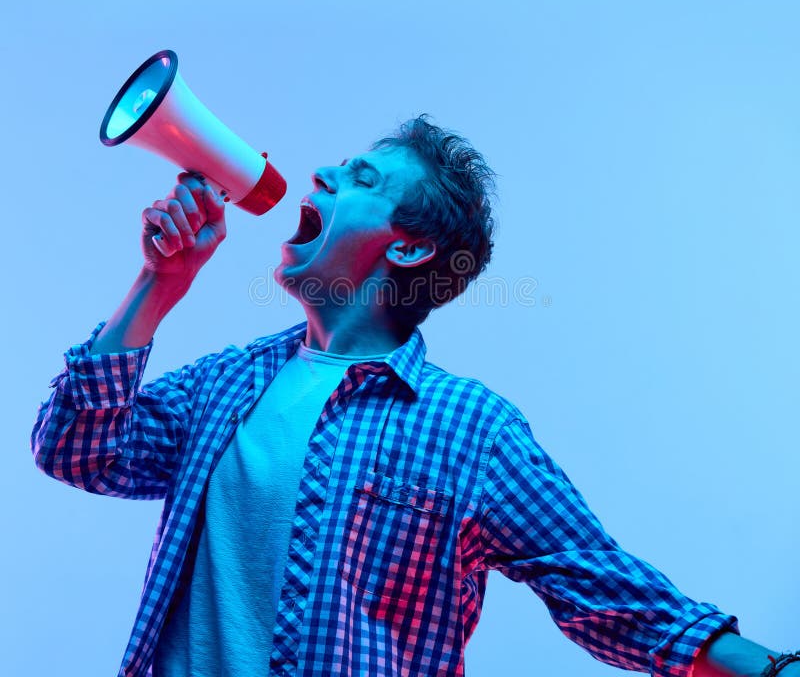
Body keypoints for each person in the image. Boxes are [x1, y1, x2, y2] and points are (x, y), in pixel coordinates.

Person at [32, 116, 798, 677]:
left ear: (408, 245)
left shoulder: (469, 429)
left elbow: (601, 583)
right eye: (336, 166)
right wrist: (160, 286)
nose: (323, 177)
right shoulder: (225, 383)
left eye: (362, 178)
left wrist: (768, 669)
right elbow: (76, 452)